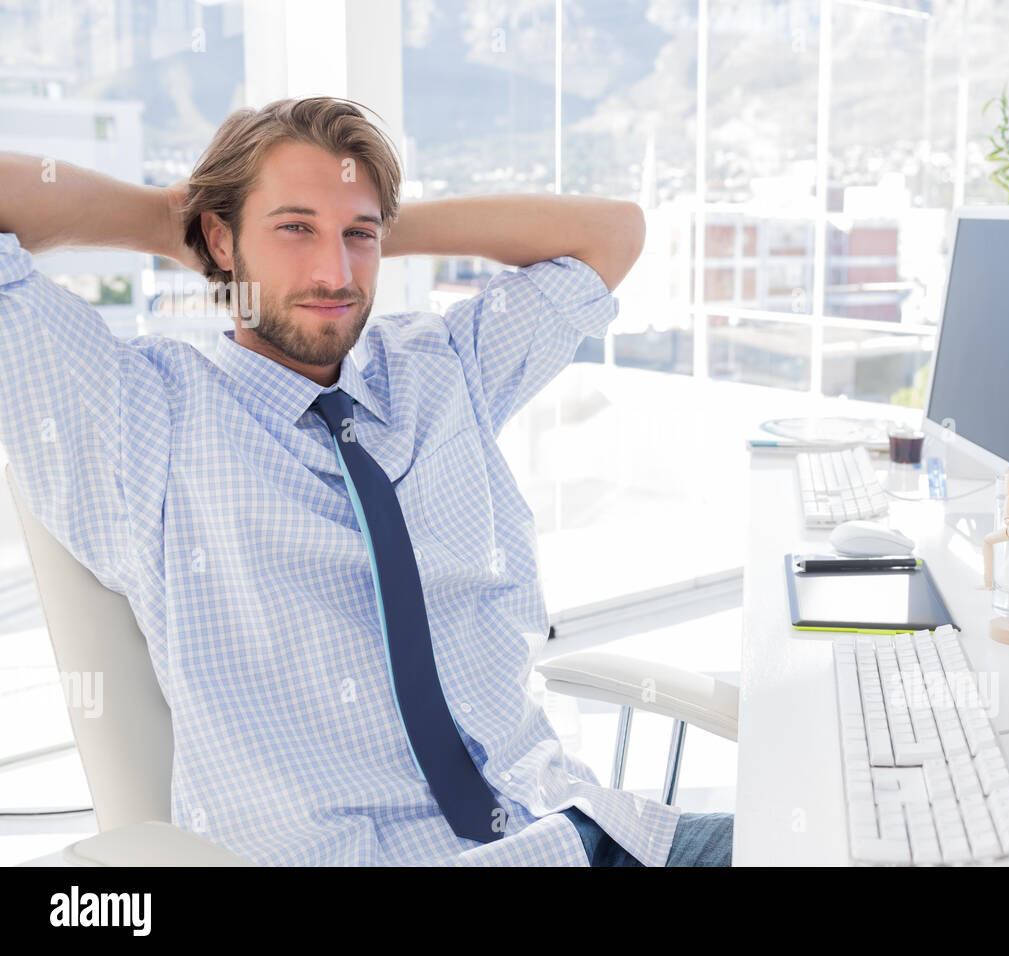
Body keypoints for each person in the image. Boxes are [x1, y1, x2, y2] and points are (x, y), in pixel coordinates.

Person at [0, 96, 732, 867]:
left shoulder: (443, 365)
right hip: (361, 857)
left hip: (571, 827)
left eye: (359, 237)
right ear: (221, 237)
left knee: (848, 840)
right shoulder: (138, 417)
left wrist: (366, 215)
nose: (334, 272)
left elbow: (611, 234)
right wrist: (171, 222)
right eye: (293, 230)